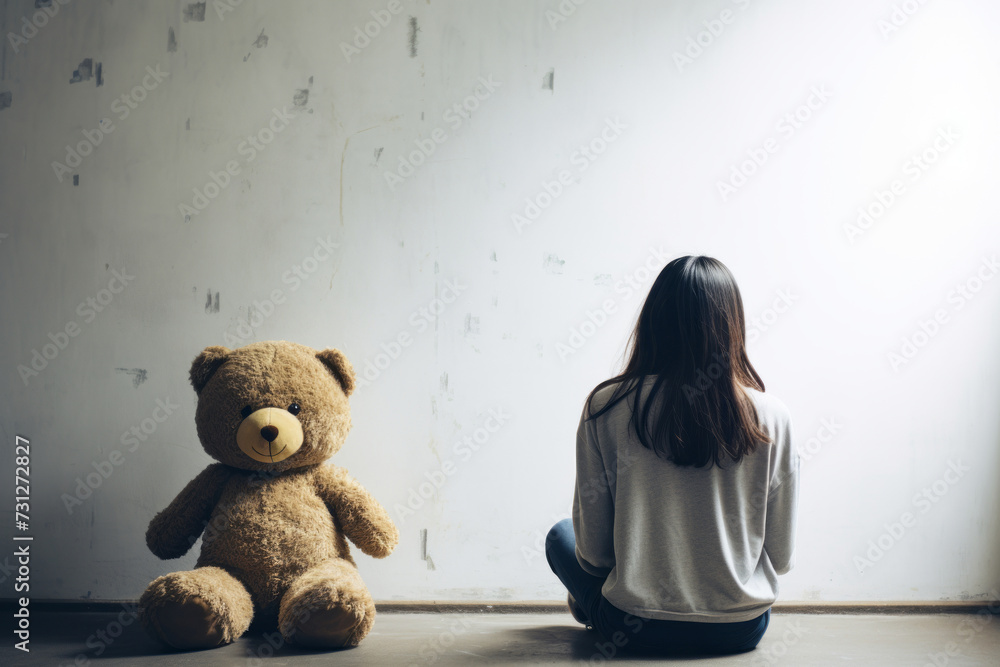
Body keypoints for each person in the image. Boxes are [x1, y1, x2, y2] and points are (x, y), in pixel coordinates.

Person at [546, 255, 799, 656]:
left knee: (560, 535)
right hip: (739, 629)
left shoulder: (606, 406)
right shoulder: (772, 416)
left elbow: (593, 555)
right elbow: (781, 557)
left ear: (653, 320)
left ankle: (592, 608)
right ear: (732, 325)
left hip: (633, 629)